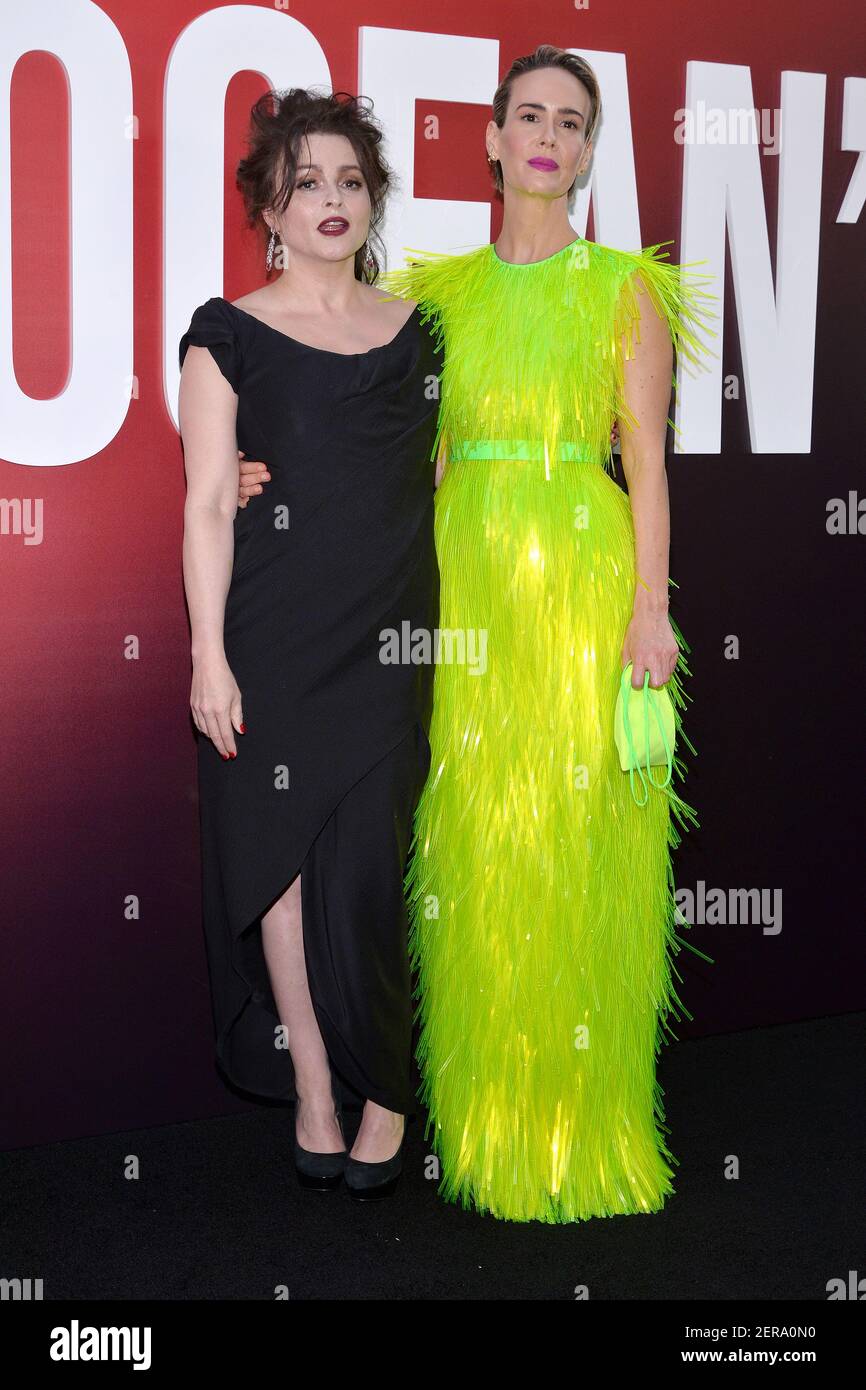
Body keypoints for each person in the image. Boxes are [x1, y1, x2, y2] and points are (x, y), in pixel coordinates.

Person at [239, 47, 717, 1223]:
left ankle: (578, 1127)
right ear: (493, 141)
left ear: (588, 150)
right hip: (452, 596)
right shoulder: (435, 297)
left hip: (584, 583)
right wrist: (254, 472)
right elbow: (383, 445)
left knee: (578, 849)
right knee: (468, 849)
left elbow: (645, 460)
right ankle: (481, 1118)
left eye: (572, 121)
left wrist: (649, 605)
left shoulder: (624, 289)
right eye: (529, 117)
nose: (549, 137)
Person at [178, 87, 443, 1199]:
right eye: (304, 182)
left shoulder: (422, 332)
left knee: (374, 867)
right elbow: (202, 502)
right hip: (270, 634)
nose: (328, 199)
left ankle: (391, 1087)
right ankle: (319, 1091)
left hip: (388, 639)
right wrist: (206, 654)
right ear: (269, 209)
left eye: (348, 179)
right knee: (277, 871)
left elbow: (437, 481)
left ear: (372, 198)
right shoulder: (226, 331)